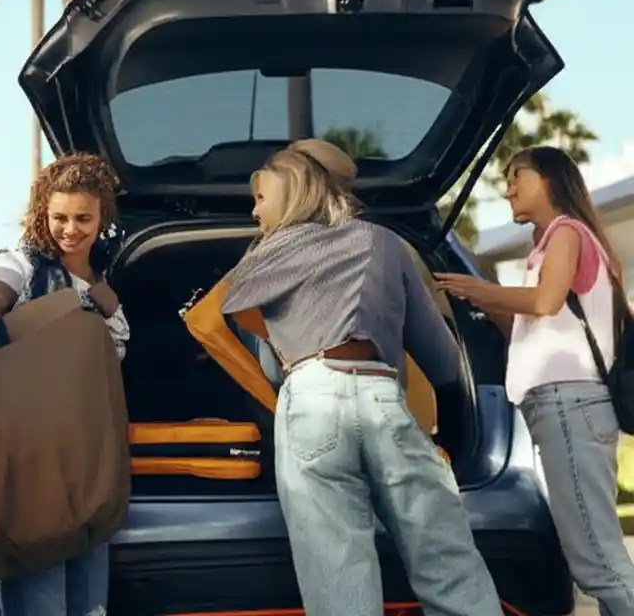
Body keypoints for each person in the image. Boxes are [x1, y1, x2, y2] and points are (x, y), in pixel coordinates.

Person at [219, 139, 502, 616]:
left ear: (293, 189)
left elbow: (270, 369)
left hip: (310, 401)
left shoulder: (267, 258)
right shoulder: (383, 242)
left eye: (261, 197)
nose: (254, 211)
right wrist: (451, 439)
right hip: (381, 395)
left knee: (339, 575)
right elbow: (444, 359)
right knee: (447, 562)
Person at [436, 145, 634, 614]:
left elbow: (545, 302)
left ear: (549, 179)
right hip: (563, 408)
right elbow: (531, 325)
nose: (507, 190)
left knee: (597, 560)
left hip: (569, 405)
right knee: (595, 555)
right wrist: (483, 303)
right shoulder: (550, 244)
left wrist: (480, 288)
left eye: (516, 177)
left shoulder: (567, 231)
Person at [0, 153, 129, 616]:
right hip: (33, 459)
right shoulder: (22, 264)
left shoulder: (104, 280)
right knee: (41, 596)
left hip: (88, 456)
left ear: (102, 217)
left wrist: (106, 302)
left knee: (88, 600)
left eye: (83, 218)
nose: (70, 229)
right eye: (59, 217)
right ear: (42, 214)